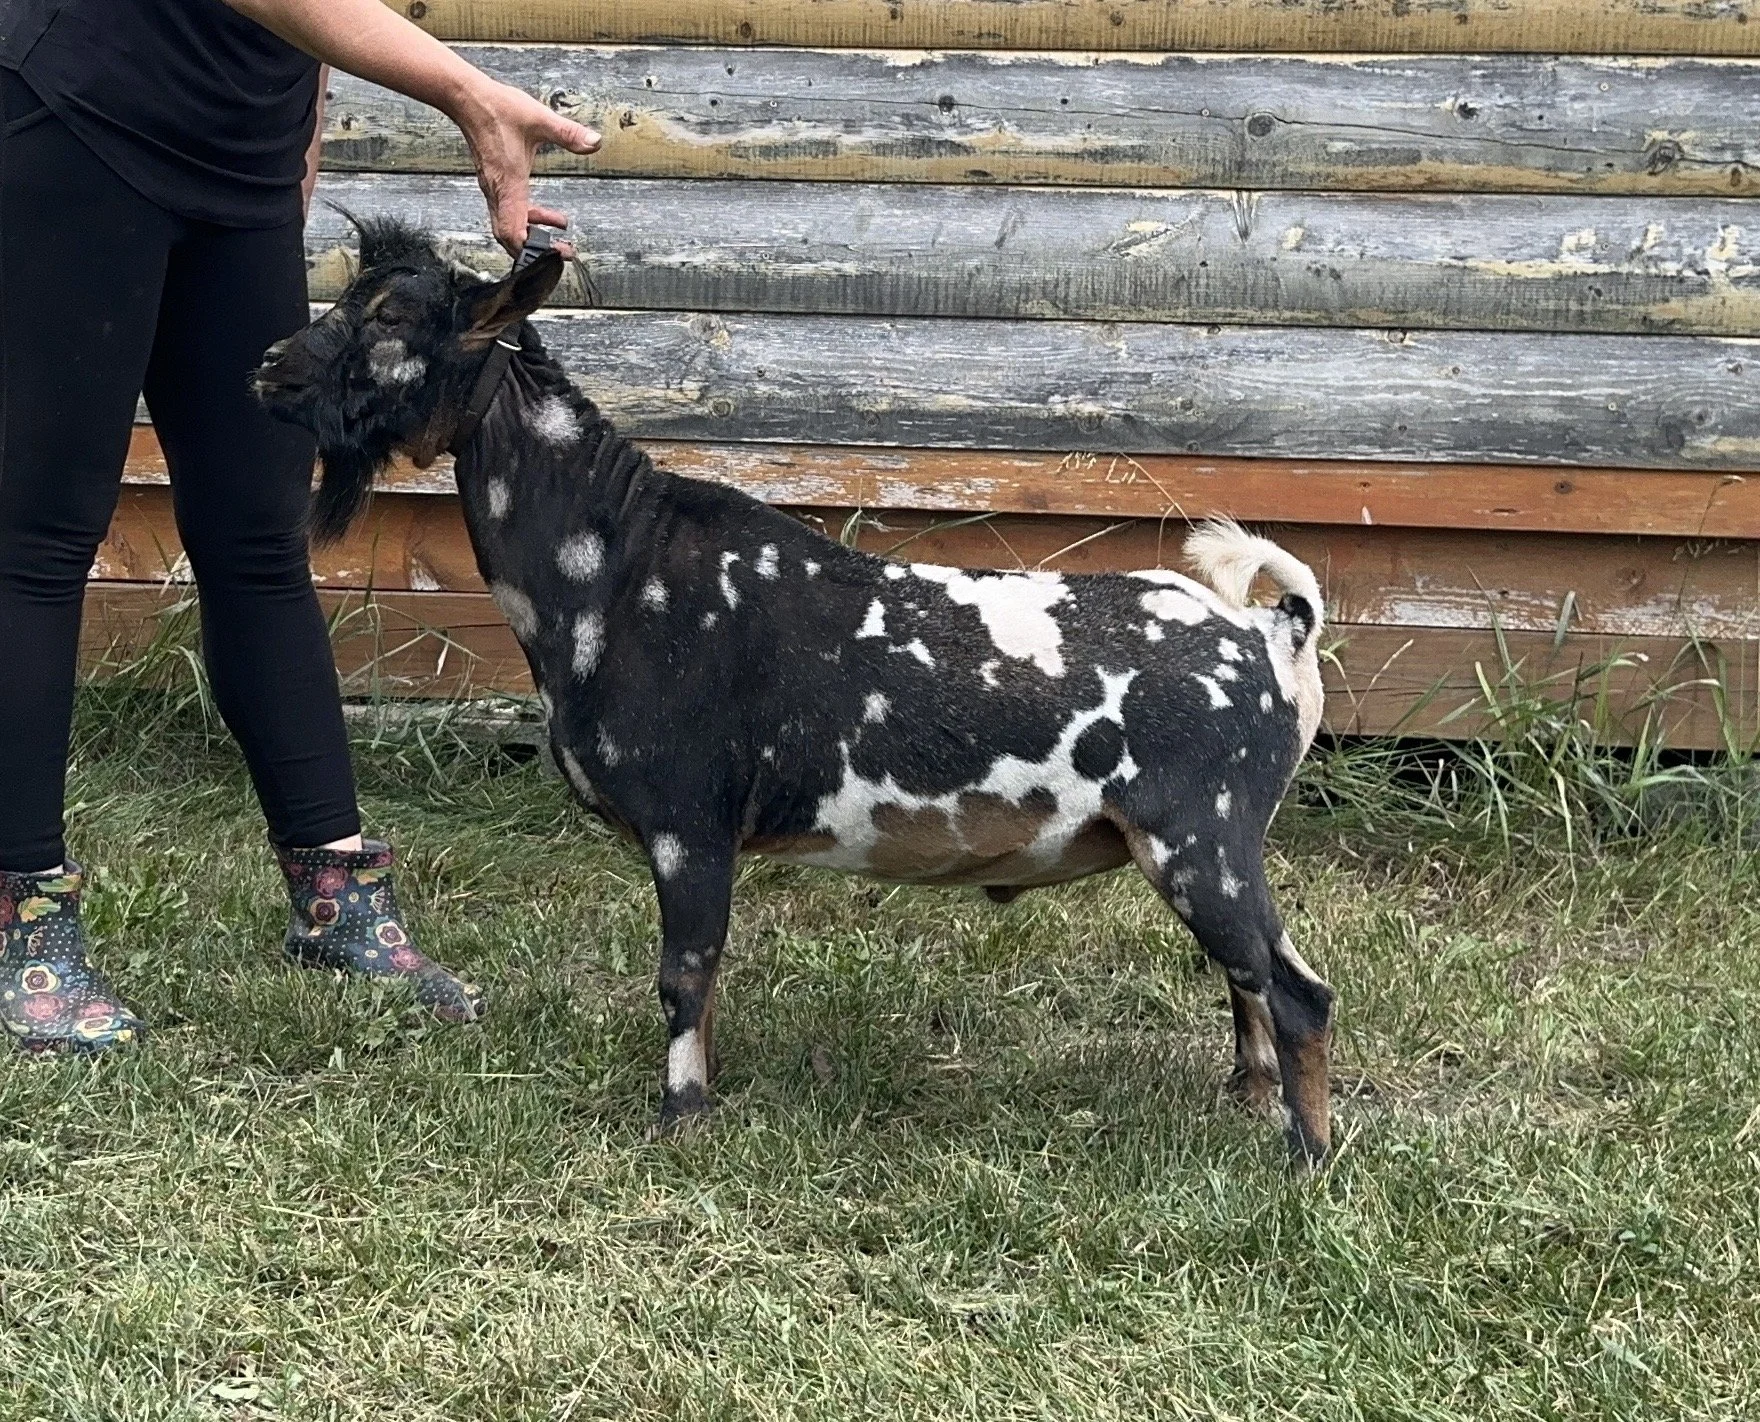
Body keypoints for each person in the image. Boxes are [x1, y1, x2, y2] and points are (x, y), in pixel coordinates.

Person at [0, 0, 599, 1050]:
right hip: (80, 116)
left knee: (257, 531)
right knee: (39, 537)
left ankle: (335, 895)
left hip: (240, 150)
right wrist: (466, 93)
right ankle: (24, 925)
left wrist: (301, 131)